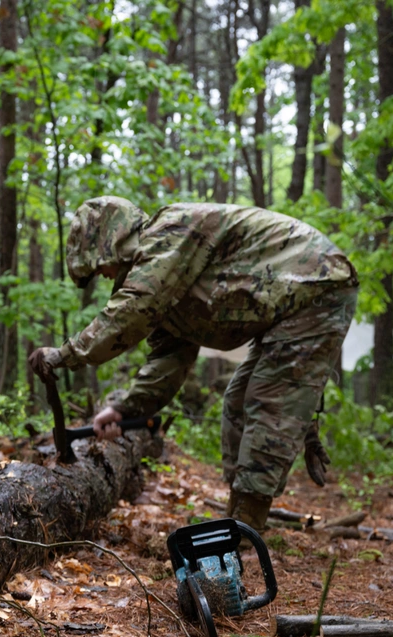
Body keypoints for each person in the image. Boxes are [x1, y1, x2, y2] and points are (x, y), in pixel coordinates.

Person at [29, 197, 357, 532]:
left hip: (316, 287)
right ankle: (241, 518)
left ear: (112, 242)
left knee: (266, 403)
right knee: (238, 401)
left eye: (101, 267)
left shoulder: (170, 233)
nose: (104, 276)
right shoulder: (164, 276)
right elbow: (169, 360)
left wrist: (65, 354)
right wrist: (124, 409)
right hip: (296, 301)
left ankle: (245, 528)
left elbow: (131, 312)